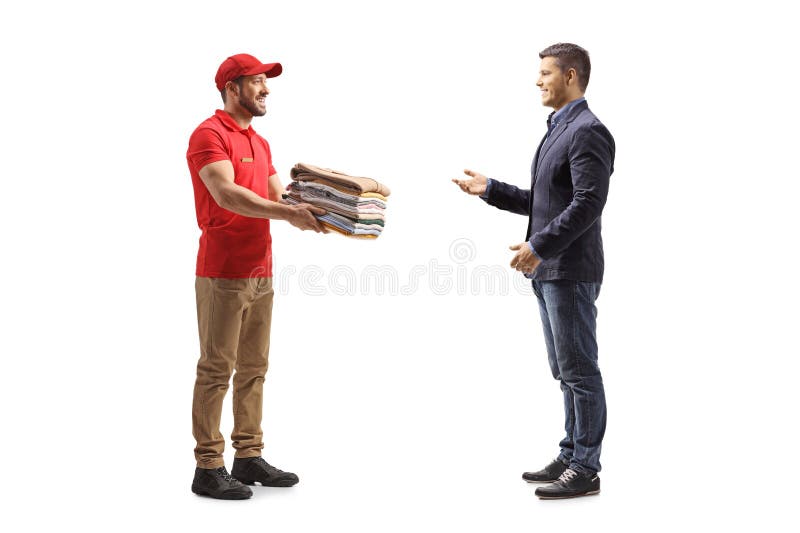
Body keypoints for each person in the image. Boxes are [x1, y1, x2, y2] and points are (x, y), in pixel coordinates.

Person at [453, 43, 615, 499]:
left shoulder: (588, 130)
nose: (538, 81)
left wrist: (538, 246)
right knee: (564, 370)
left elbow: (588, 203)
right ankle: (570, 453)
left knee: (580, 370)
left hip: (569, 269)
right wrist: (492, 190)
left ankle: (586, 467)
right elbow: (545, 202)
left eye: (545, 73)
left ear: (570, 75)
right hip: (549, 271)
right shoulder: (559, 127)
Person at [186, 53, 327, 500]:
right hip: (222, 272)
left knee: (254, 368)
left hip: (260, 270)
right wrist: (289, 212)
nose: (266, 90)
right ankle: (208, 466)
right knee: (215, 370)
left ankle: (247, 455)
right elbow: (227, 194)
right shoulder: (208, 135)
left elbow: (276, 195)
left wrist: (326, 207)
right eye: (257, 82)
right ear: (233, 88)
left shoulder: (259, 142)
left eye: (266, 83)